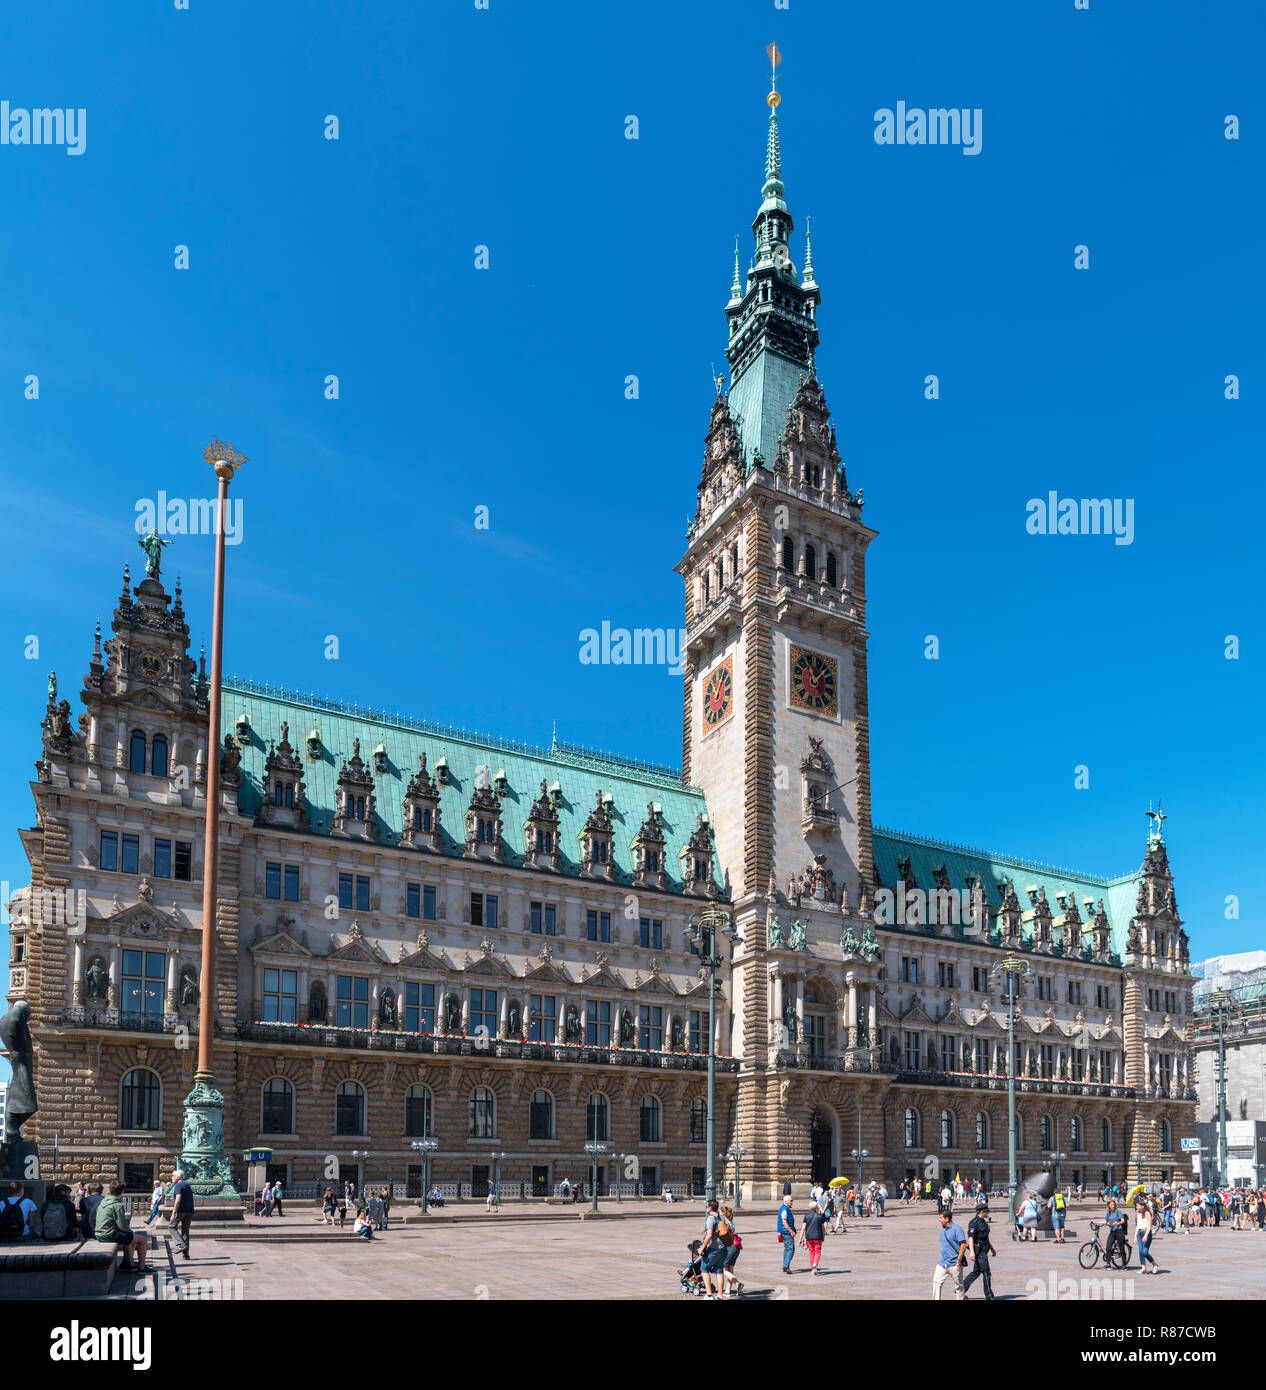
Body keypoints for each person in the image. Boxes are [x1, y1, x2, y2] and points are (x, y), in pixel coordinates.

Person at [94, 1181, 150, 1272]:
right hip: (109, 1235)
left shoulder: (102, 1203)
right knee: (143, 1239)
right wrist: (130, 1231)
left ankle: (127, 1263)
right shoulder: (117, 1205)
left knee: (130, 1237)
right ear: (122, 1192)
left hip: (99, 1235)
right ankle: (142, 1268)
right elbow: (123, 1226)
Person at [963, 1200, 997, 1300]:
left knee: (976, 1272)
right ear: (982, 1212)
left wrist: (992, 1248)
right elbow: (970, 1238)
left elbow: (985, 1237)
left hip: (984, 1250)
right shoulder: (974, 1223)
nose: (988, 1213)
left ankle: (960, 1290)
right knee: (986, 1273)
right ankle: (989, 1296)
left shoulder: (983, 1222)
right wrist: (972, 1252)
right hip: (979, 1252)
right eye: (987, 1211)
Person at [933, 1209, 968, 1301]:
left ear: (947, 1219)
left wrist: (959, 1259)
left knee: (959, 1286)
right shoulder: (943, 1229)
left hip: (954, 1263)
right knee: (937, 1282)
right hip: (942, 1262)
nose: (939, 1220)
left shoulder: (957, 1229)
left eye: (941, 1218)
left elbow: (963, 1244)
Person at [698, 1199, 727, 1299]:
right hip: (723, 1248)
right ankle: (719, 1295)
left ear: (710, 1208)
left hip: (714, 1248)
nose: (706, 1208)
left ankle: (709, 1295)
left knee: (704, 1269)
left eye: (707, 1206)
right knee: (719, 1271)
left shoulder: (711, 1218)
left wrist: (702, 1248)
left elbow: (709, 1235)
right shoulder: (721, 1217)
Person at [719, 1205, 744, 1298]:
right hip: (736, 1248)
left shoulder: (724, 1222)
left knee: (724, 1269)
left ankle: (738, 1284)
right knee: (730, 1270)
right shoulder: (731, 1222)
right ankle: (728, 1290)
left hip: (729, 1248)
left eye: (720, 1212)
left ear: (723, 1213)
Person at [169, 1169, 195, 1260]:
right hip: (190, 1211)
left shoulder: (178, 1185)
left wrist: (174, 1212)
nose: (172, 1177)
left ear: (178, 1177)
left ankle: (180, 1244)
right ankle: (186, 1255)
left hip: (181, 1211)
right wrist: (175, 1198)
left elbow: (179, 1198)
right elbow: (184, 1197)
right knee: (185, 1232)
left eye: (173, 1176)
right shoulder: (187, 1185)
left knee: (171, 1226)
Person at [802, 1197, 828, 1275]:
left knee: (811, 1252)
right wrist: (823, 1236)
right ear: (816, 1207)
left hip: (809, 1237)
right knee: (818, 1251)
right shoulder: (820, 1216)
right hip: (818, 1236)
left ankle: (812, 1268)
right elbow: (823, 1228)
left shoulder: (806, 1216)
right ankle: (815, 1264)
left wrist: (800, 1239)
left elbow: (803, 1228)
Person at [1135, 1200, 1160, 1274]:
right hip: (1140, 1233)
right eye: (1136, 1206)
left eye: (1138, 1206)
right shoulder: (1138, 1213)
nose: (1136, 1207)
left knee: (1145, 1252)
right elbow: (1138, 1225)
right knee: (1140, 1251)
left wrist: (1146, 1235)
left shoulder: (1147, 1213)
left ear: (1142, 1206)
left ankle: (1154, 1264)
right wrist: (1135, 1236)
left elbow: (1149, 1226)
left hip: (1147, 1233)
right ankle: (1143, 1268)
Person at [1103, 1197, 1127, 1267]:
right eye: (1111, 1205)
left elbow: (1123, 1221)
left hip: (1119, 1231)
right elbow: (1106, 1222)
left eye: (1114, 1204)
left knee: (1121, 1248)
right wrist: (1096, 1223)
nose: (1113, 1206)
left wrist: (1117, 1223)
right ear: (1109, 1206)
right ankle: (1108, 1263)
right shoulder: (1108, 1213)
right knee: (1108, 1247)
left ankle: (1124, 1265)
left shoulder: (1118, 1211)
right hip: (1112, 1231)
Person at [777, 1193, 797, 1274]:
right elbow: (784, 1221)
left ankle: (785, 1265)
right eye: (791, 1201)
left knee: (787, 1249)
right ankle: (786, 1266)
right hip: (786, 1232)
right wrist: (791, 1231)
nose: (792, 1202)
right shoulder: (785, 1209)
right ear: (786, 1201)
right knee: (791, 1249)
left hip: (783, 1231)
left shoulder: (784, 1208)